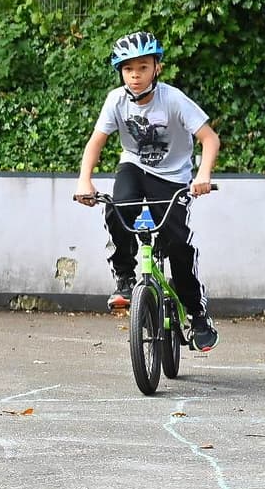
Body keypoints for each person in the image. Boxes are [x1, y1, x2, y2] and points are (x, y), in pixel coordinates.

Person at [72, 30, 221, 350]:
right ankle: (125, 279)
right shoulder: (116, 100)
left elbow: (209, 138)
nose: (135, 76)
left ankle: (197, 316)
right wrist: (85, 179)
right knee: (116, 206)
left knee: (179, 246)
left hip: (172, 178)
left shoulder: (174, 99)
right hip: (134, 168)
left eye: (142, 67)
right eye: (128, 69)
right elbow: (95, 143)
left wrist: (203, 175)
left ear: (157, 68)